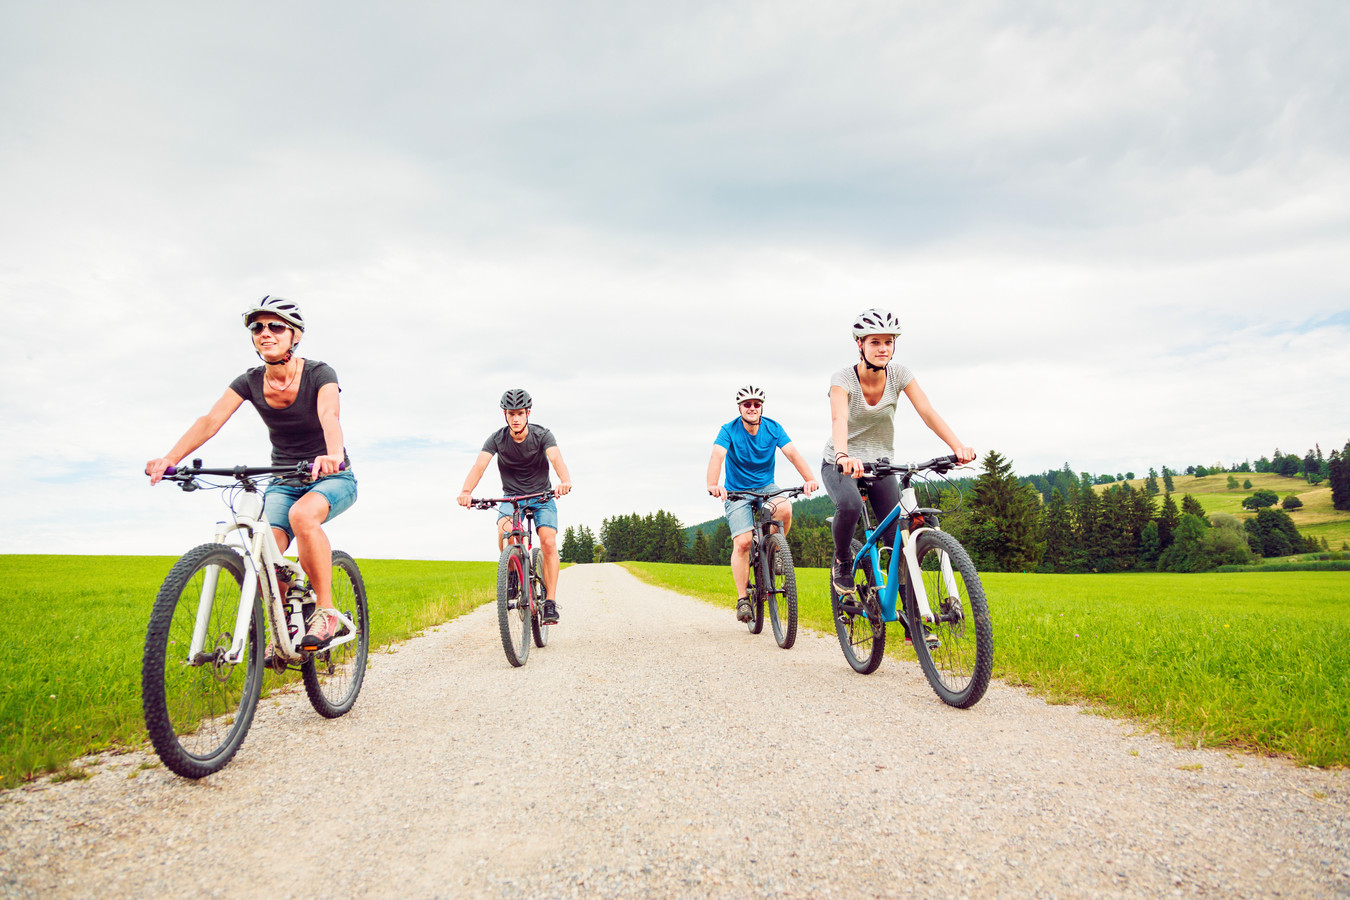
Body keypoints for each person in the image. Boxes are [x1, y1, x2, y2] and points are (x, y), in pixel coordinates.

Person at [146, 296, 358, 652]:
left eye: (276, 326)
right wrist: (169, 457)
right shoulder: (249, 381)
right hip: (283, 480)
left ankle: (326, 611)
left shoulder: (320, 373)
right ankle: (284, 622)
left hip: (330, 477)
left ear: (295, 336)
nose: (265, 333)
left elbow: (329, 415)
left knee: (303, 517)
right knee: (265, 551)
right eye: (258, 327)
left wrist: (333, 454)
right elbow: (210, 421)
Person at [823, 308, 976, 599]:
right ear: (860, 345)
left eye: (888, 342)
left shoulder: (900, 374)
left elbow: (927, 411)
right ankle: (843, 560)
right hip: (840, 463)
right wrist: (843, 456)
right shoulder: (842, 378)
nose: (883, 348)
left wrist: (956, 446)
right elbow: (839, 419)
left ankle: (912, 620)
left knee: (898, 539)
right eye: (875, 342)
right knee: (851, 505)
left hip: (881, 465)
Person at [457, 389, 573, 625]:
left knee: (548, 541)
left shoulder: (542, 435)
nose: (516, 418)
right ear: (505, 415)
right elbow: (479, 466)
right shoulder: (497, 439)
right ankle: (511, 574)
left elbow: (556, 459)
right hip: (512, 498)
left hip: (542, 496)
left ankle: (549, 602)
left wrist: (565, 481)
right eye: (511, 414)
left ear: (528, 413)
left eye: (520, 413)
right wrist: (466, 492)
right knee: (505, 532)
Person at [706, 385, 820, 623]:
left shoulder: (773, 428)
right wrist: (713, 483)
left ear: (761, 408)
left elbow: (793, 454)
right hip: (737, 491)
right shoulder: (729, 430)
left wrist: (809, 479)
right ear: (740, 408)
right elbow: (717, 455)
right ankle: (742, 599)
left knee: (785, 508)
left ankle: (775, 552)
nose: (752, 408)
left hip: (766, 487)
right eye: (747, 404)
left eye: (756, 404)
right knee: (744, 542)